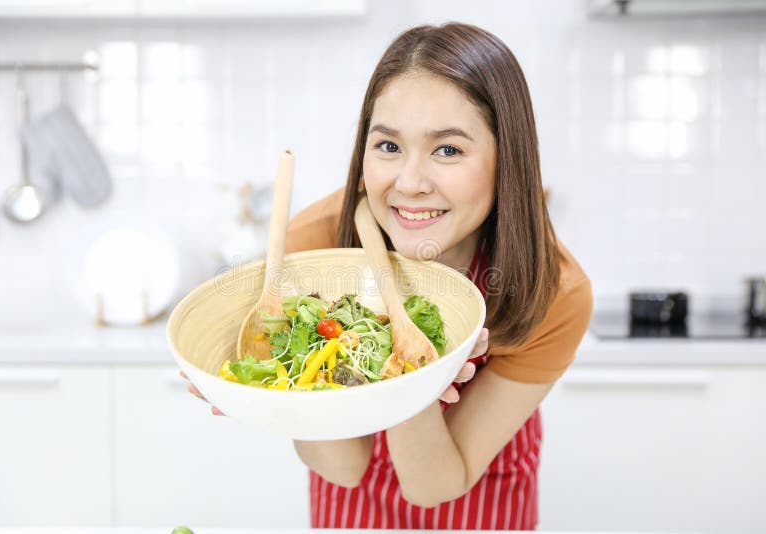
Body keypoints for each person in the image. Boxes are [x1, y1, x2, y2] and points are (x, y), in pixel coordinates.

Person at [183, 21, 593, 530]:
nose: (410, 183)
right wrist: (278, 392)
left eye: (448, 149)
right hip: (354, 507)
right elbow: (344, 467)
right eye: (389, 146)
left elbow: (435, 485)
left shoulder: (552, 291)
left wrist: (412, 376)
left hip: (482, 494)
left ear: (507, 160)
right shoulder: (311, 251)